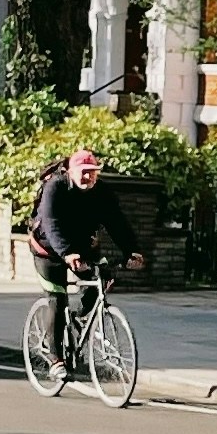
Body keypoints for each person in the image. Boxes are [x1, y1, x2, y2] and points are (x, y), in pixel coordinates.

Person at [27, 145, 143, 353]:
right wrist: (66, 253)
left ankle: (78, 317)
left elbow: (117, 223)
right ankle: (56, 359)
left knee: (100, 281)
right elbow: (51, 223)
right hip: (48, 250)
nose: (88, 176)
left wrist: (131, 250)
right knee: (57, 299)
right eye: (84, 171)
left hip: (81, 248)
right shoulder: (55, 187)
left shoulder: (102, 192)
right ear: (71, 172)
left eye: (93, 172)